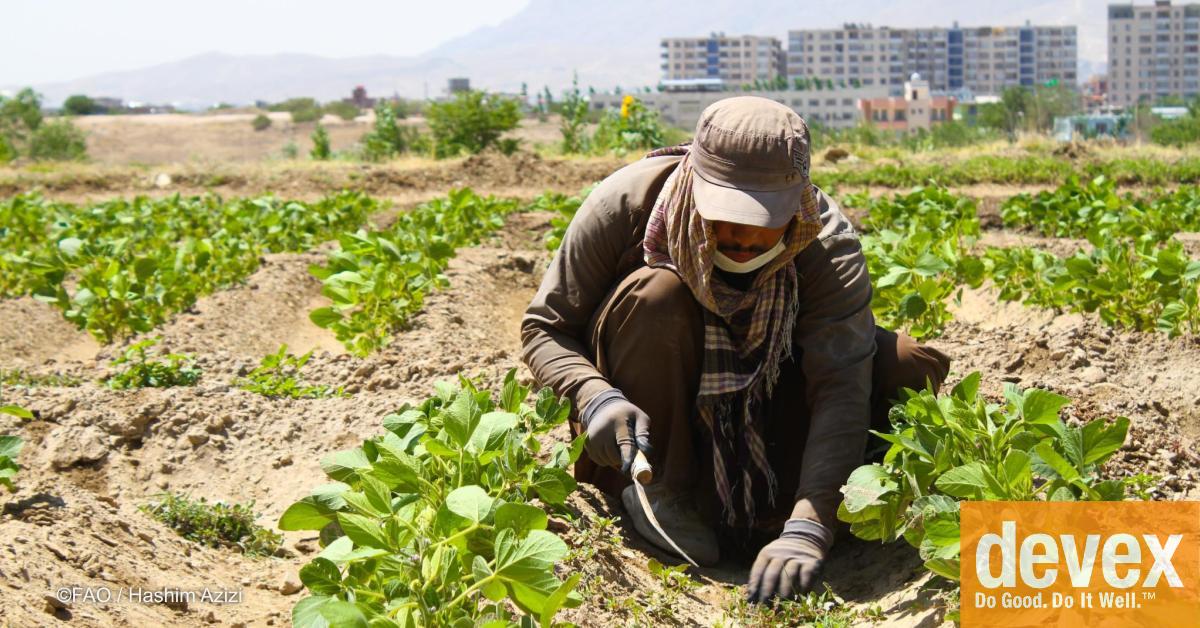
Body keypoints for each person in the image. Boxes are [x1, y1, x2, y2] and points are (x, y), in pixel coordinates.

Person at [520, 96, 950, 604]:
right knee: (657, 293)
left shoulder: (825, 245)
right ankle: (664, 492)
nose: (739, 235)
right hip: (655, 417)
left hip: (765, 415)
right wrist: (594, 396)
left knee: (903, 362)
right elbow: (544, 327)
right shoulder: (627, 205)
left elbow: (841, 385)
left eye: (761, 216)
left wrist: (810, 523)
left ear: (797, 200)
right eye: (723, 214)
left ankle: (821, 499)